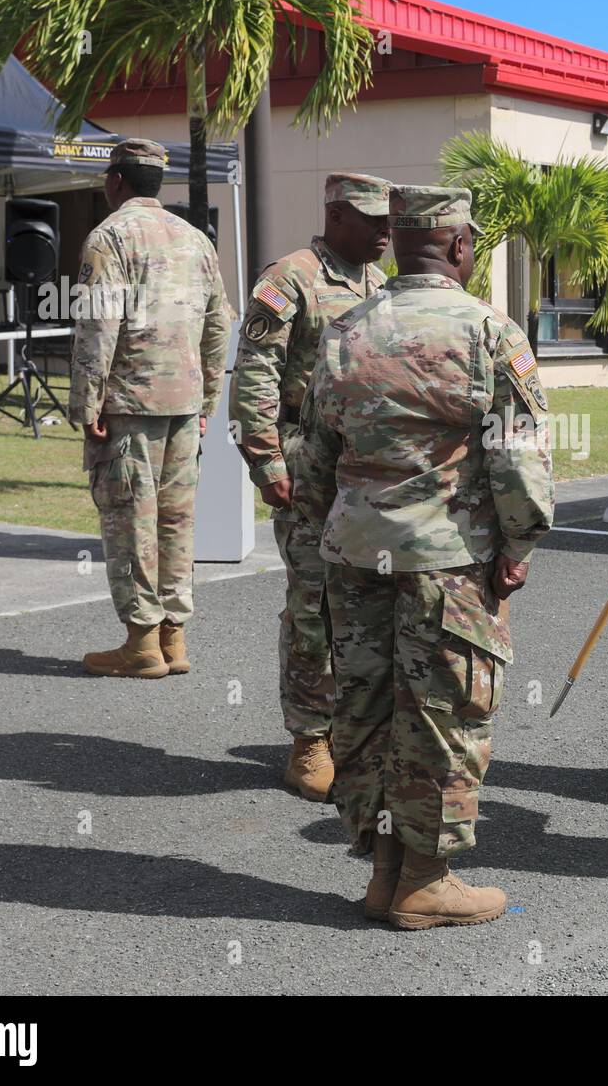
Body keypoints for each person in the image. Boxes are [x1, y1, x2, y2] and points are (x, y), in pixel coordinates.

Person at [293, 185, 554, 930]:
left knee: (368, 710)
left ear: (401, 241)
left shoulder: (344, 330)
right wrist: (519, 544)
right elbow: (518, 457)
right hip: (448, 559)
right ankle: (427, 880)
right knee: (444, 714)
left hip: (355, 554)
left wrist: (326, 528)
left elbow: (314, 454)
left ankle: (383, 872)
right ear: (462, 246)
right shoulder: (486, 331)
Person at [228, 173, 391, 804]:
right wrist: (266, 462)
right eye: (372, 220)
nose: (384, 233)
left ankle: (353, 724)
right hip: (307, 464)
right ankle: (309, 737)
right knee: (313, 600)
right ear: (335, 215)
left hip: (369, 469)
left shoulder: (381, 286)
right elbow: (255, 374)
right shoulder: (289, 277)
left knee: (366, 600)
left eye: (388, 222)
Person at [69, 138, 231, 678]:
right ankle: (174, 637)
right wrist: (208, 395)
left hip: (128, 404)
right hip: (183, 403)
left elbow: (98, 325)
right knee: (177, 521)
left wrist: (87, 400)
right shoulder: (195, 238)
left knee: (130, 518)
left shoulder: (109, 237)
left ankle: (141, 644)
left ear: (116, 181)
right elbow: (217, 324)